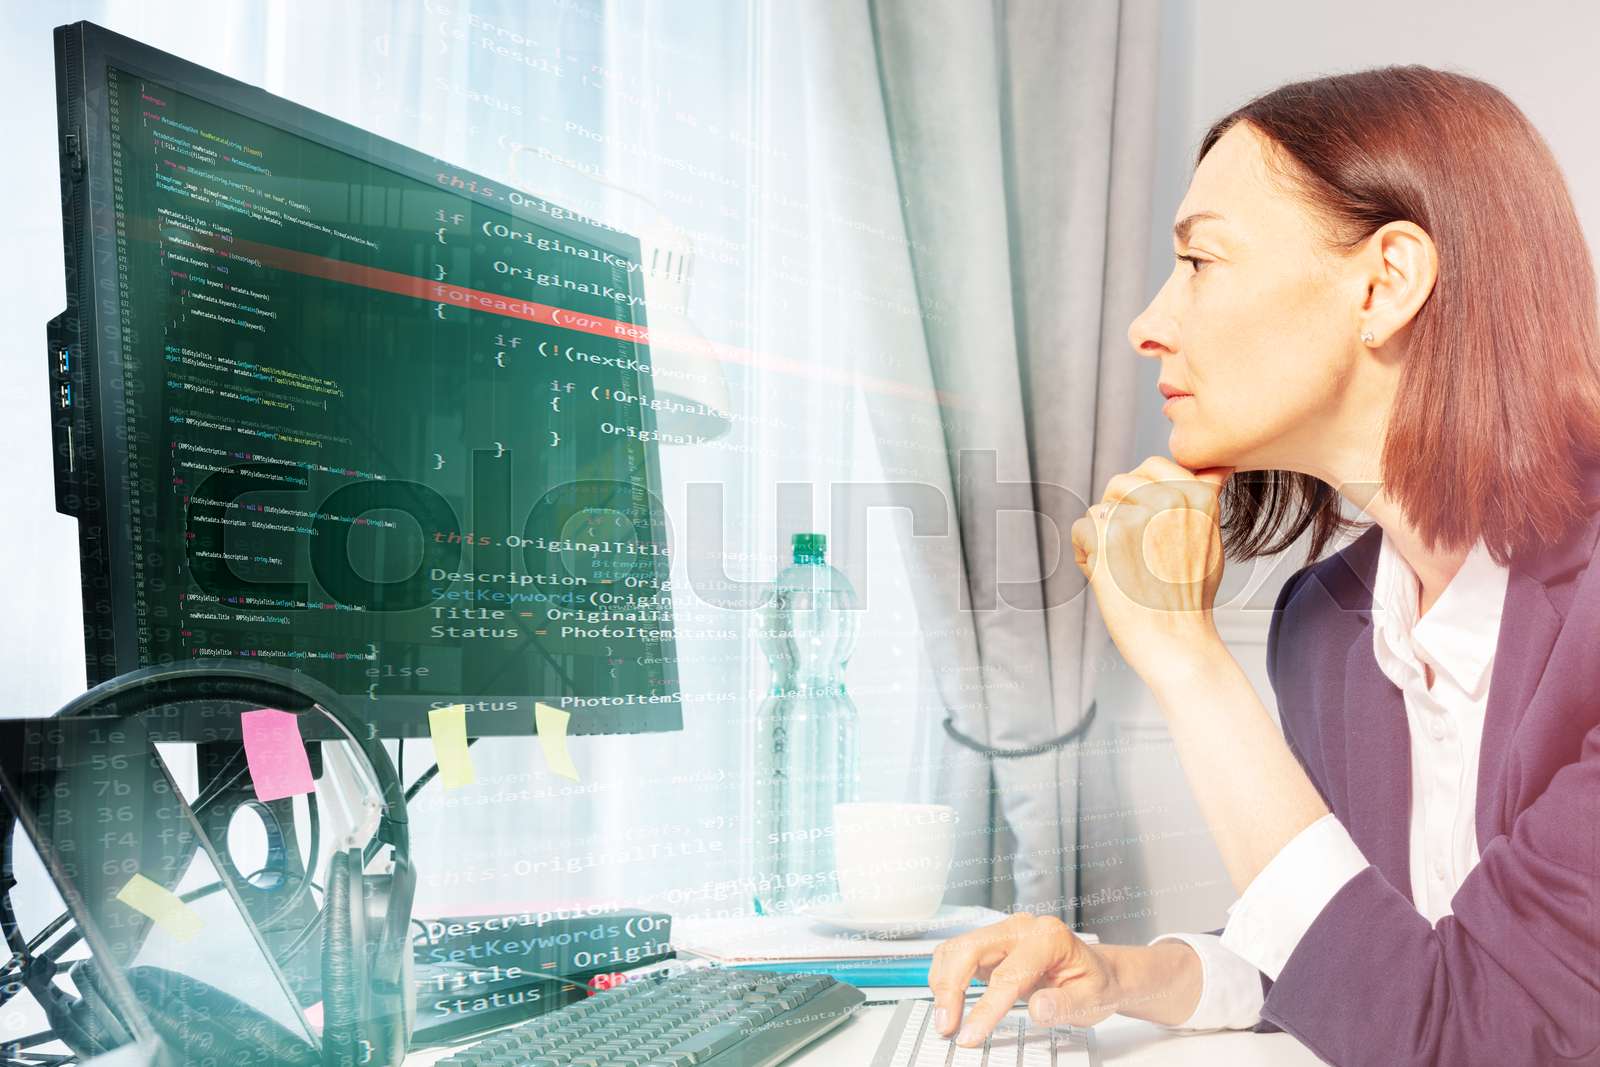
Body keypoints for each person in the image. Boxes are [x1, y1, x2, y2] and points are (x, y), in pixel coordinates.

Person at [926, 65, 1600, 1066]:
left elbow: (1475, 1034)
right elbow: (1360, 952)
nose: (1146, 324)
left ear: (1384, 284)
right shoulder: (1324, 624)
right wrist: (1123, 975)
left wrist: (1187, 662)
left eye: (1198, 261)